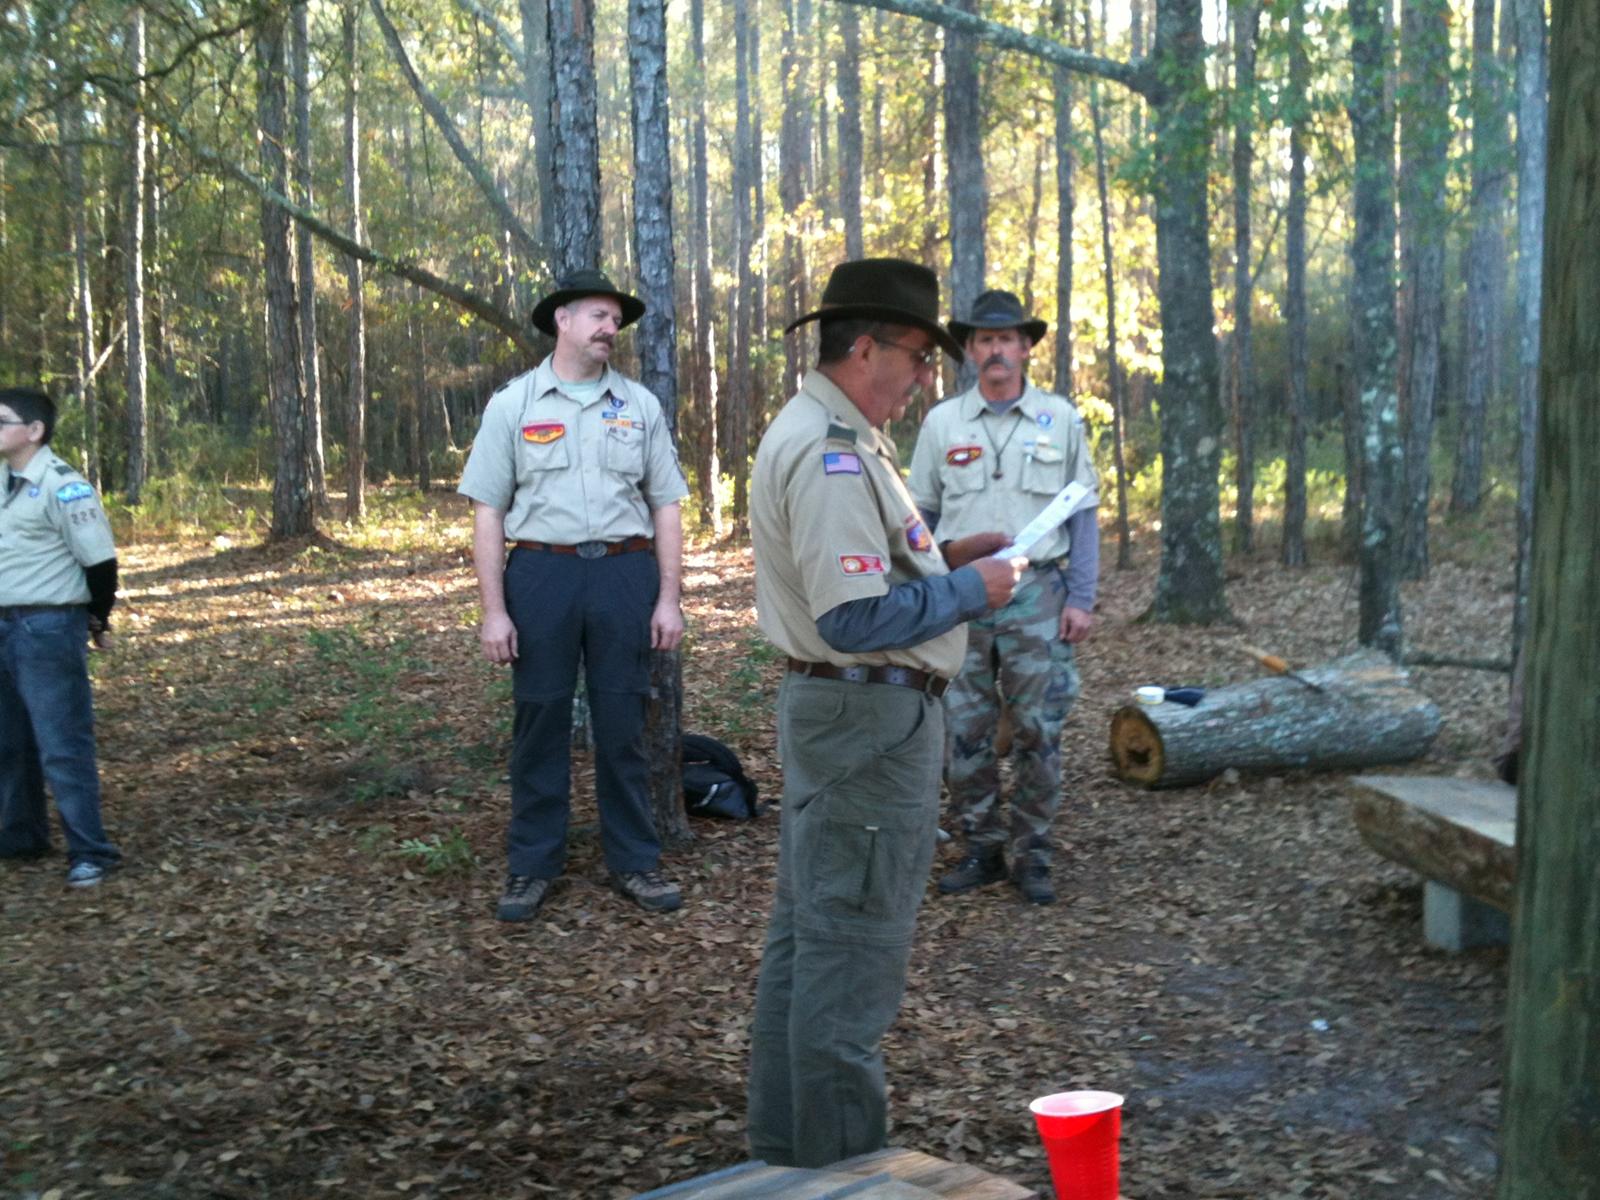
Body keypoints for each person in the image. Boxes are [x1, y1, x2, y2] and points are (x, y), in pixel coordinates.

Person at [746, 258, 1025, 1167]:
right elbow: (853, 618)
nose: (921, 380)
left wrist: (946, 562)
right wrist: (969, 593)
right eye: (914, 356)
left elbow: (868, 570)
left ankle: (787, 1165)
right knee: (848, 967)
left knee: (810, 946)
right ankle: (836, 1178)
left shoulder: (843, 436)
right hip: (866, 726)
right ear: (863, 348)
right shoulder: (829, 450)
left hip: (855, 721)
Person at [458, 269, 689, 921]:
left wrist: (669, 597)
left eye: (616, 320)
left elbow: (666, 505)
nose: (610, 329)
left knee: (623, 725)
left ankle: (636, 862)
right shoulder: (515, 404)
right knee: (539, 722)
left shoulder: (638, 406)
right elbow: (488, 513)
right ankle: (532, 865)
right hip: (541, 575)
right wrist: (495, 609)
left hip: (623, 572)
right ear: (561, 319)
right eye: (598, 316)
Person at [907, 288, 1100, 905]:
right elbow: (920, 515)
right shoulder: (942, 422)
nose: (996, 350)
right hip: (961, 593)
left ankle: (1033, 851)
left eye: (1007, 338)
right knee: (964, 728)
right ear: (969, 350)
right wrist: (924, 589)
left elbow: (1084, 515)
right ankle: (981, 846)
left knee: (1039, 729)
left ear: (1025, 347)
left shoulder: (1061, 418)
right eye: (984, 340)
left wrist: (1082, 598)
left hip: (1039, 593)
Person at [0, 388, 122, 888]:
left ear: (34, 431)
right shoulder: (5, 481)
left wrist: (97, 620)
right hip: (3, 624)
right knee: (9, 742)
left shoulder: (63, 485)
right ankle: (20, 835)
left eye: (2, 420)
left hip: (47, 627)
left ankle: (90, 851)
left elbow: (101, 563)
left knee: (62, 744)